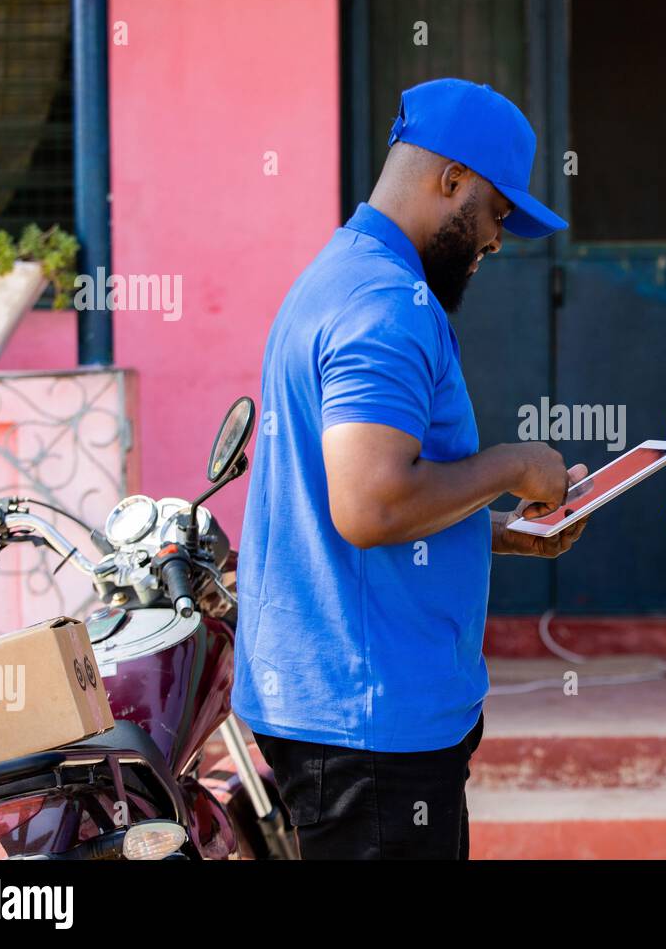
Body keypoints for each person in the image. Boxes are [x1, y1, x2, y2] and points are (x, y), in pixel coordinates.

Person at [231, 78, 587, 859]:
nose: (496, 240)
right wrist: (512, 464)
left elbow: (362, 496)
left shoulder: (343, 272)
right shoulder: (384, 304)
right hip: (370, 721)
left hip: (347, 707)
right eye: (497, 212)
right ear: (451, 178)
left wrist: (491, 532)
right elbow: (370, 506)